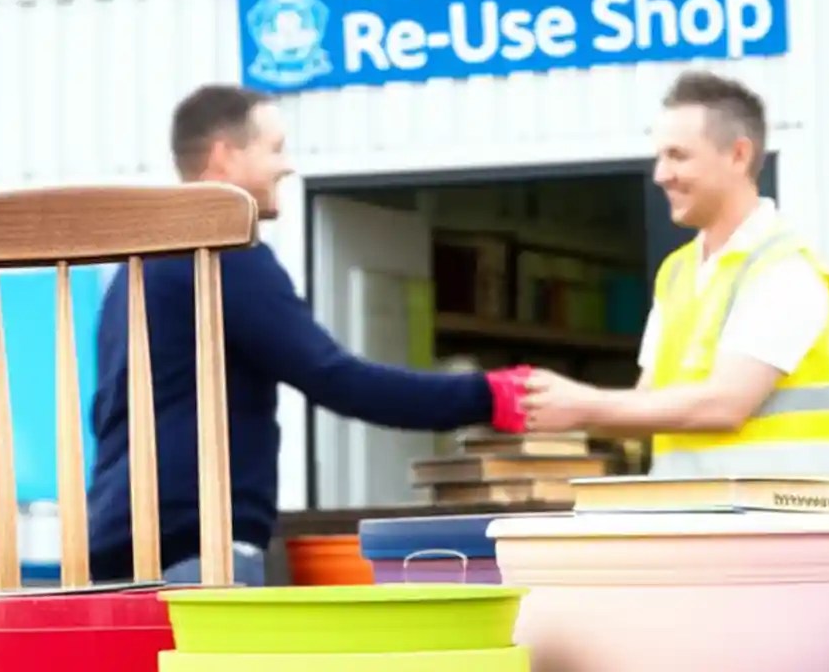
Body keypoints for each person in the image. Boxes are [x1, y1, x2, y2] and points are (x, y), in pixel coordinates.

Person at [86, 85, 529, 586]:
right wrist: (491, 395)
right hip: (194, 550)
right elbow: (333, 377)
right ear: (224, 157)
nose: (287, 166)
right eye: (275, 148)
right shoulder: (222, 254)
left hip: (118, 545)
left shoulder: (138, 265)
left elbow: (104, 410)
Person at [521, 70, 829, 479]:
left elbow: (726, 405)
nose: (660, 174)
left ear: (738, 155)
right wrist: (536, 406)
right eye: (659, 157)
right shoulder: (677, 272)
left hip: (775, 527)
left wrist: (584, 405)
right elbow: (645, 405)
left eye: (678, 156)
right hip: (694, 520)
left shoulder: (784, 269)